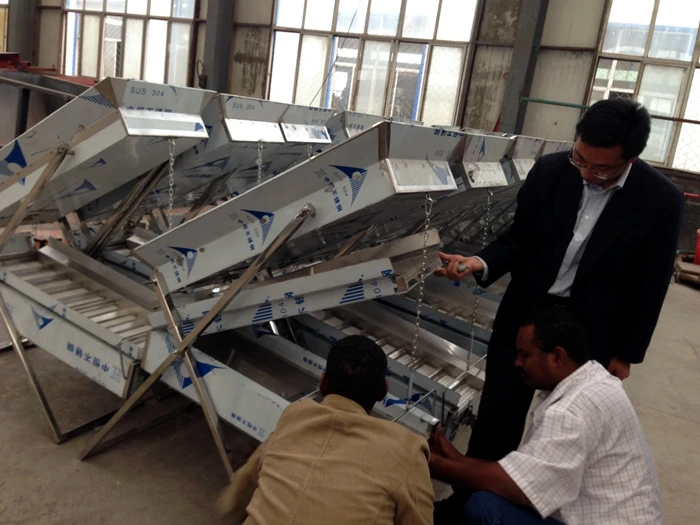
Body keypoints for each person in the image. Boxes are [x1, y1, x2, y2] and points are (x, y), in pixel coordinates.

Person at [435, 98, 684, 470]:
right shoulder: (551, 170)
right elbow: (519, 239)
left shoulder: (661, 200)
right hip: (527, 312)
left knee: (568, 426)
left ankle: (537, 494)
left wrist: (625, 354)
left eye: (600, 169)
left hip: (591, 328)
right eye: (579, 159)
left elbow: (651, 285)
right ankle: (472, 496)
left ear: (630, 159)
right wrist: (478, 262)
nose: (585, 174)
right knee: (497, 413)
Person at [429, 307, 663, 525]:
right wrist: (454, 458)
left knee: (485, 508)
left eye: (525, 355)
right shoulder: (592, 378)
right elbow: (523, 470)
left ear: (558, 357)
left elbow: (519, 486)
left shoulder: (571, 411)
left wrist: (434, 464)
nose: (517, 362)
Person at [217, 335, 435, 525]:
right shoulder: (407, 448)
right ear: (383, 392)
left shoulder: (295, 415)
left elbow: (235, 497)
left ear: (322, 383)